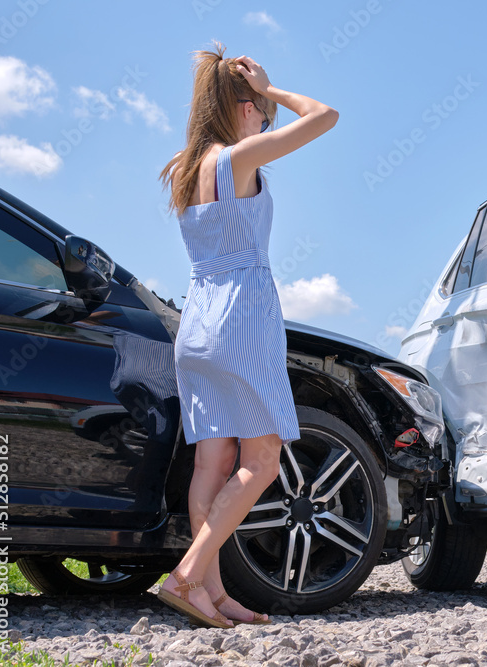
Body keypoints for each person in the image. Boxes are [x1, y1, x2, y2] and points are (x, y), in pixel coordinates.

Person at [156, 41, 338, 628]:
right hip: (242, 320)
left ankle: (210, 594)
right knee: (260, 461)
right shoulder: (237, 159)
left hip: (198, 324)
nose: (265, 119)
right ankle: (186, 575)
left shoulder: (183, 169)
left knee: (213, 461)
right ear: (241, 105)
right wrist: (272, 86)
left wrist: (258, 95)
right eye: (260, 111)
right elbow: (325, 116)